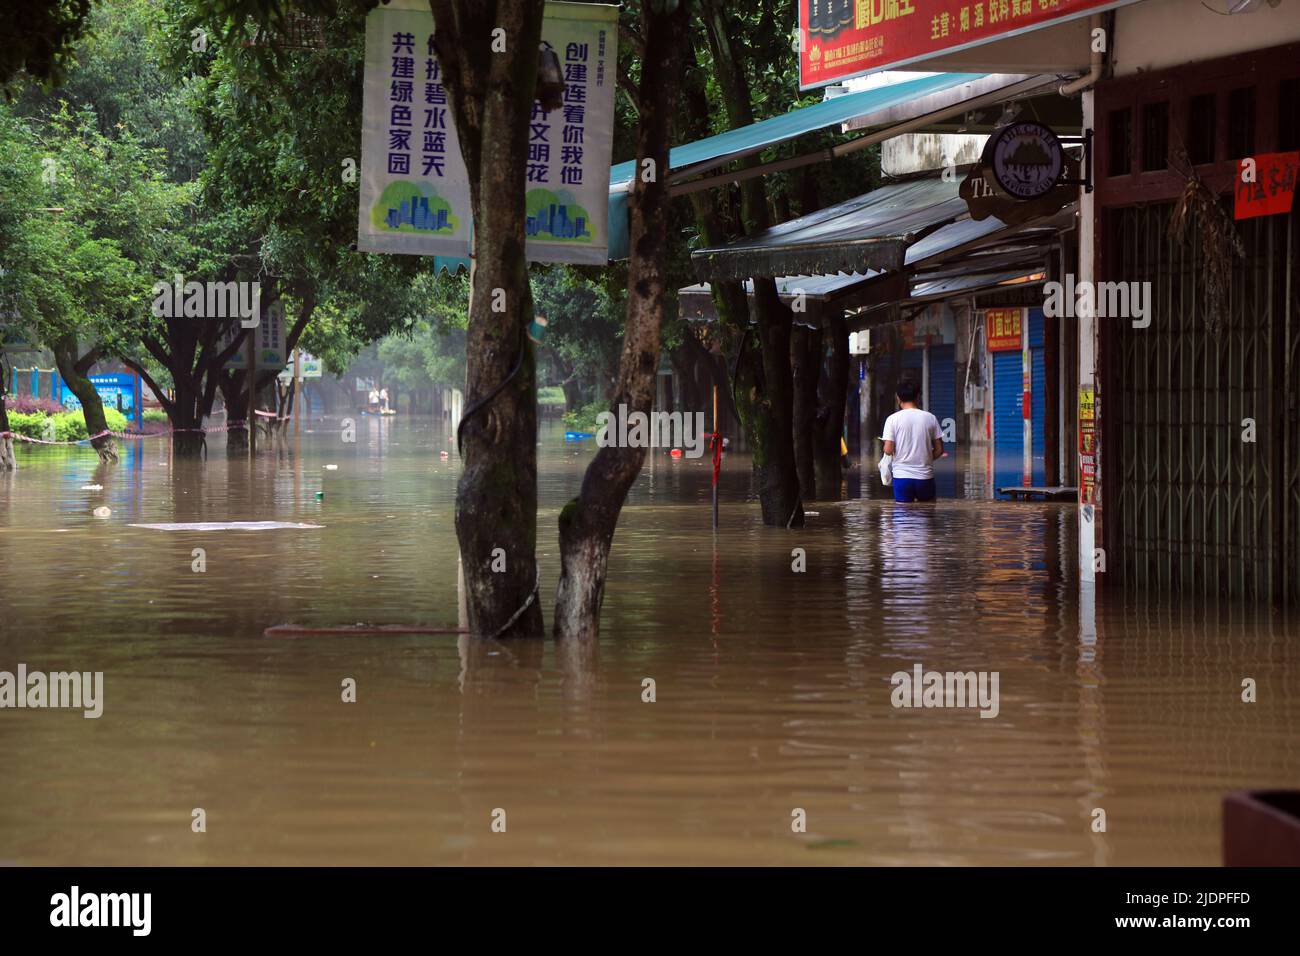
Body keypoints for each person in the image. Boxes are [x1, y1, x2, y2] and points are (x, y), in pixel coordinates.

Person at [881, 379, 944, 503]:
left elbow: (888, 450)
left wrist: (886, 445)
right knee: (927, 514)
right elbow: (939, 450)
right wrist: (924, 459)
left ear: (898, 398)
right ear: (917, 397)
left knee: (903, 518)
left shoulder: (892, 420)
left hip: (902, 478)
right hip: (925, 477)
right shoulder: (930, 418)